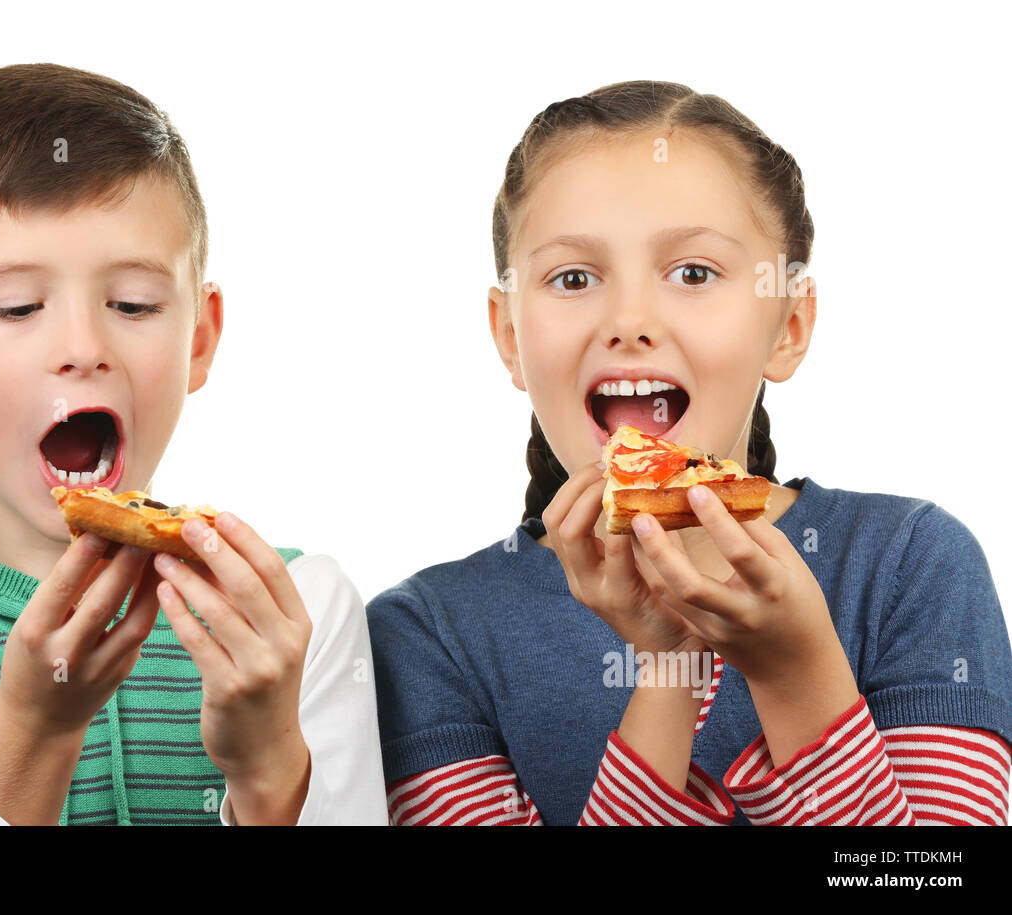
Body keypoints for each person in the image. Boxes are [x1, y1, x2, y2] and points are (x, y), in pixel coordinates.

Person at [366, 80, 1012, 825]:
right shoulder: (426, 634)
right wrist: (668, 672)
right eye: (574, 278)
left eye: (694, 273)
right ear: (509, 335)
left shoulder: (911, 564)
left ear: (789, 325)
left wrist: (798, 670)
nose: (630, 319)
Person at [0, 63, 386, 826]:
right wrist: (33, 734)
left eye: (133, 303)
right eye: (16, 306)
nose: (82, 346)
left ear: (198, 336)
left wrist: (271, 772)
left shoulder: (294, 613)